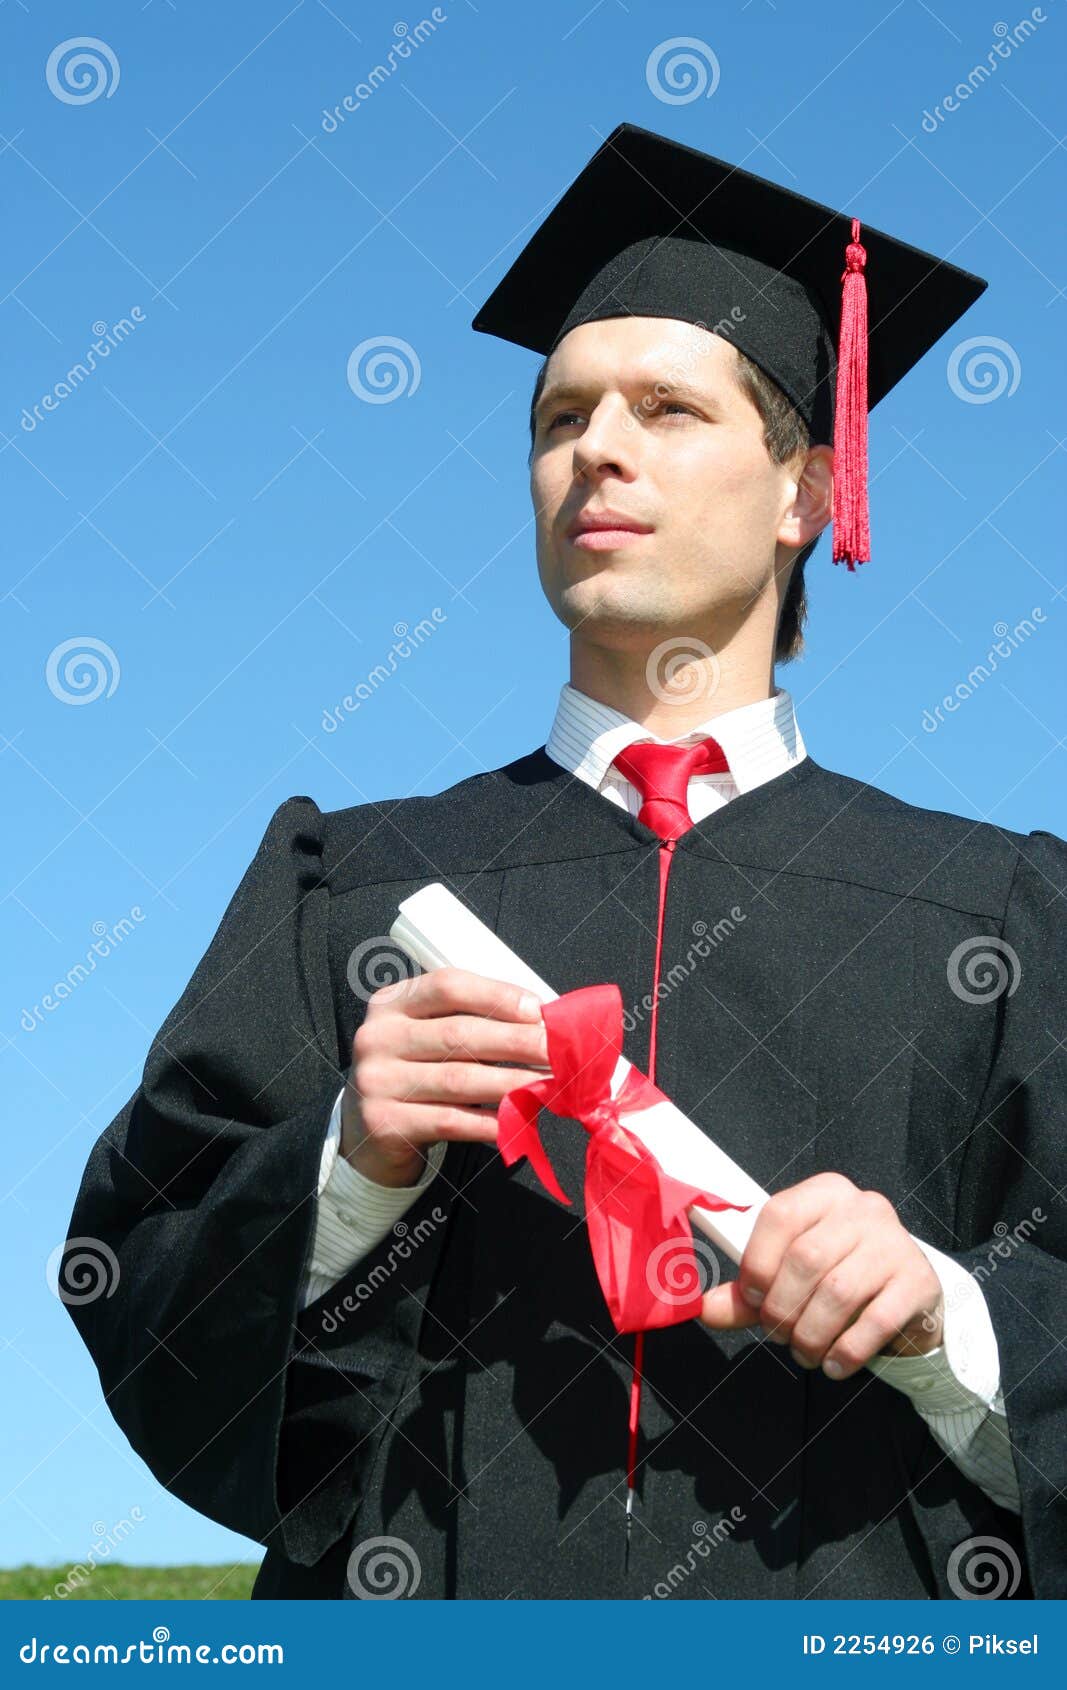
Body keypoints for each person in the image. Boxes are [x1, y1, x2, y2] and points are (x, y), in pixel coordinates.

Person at [62, 123, 1066, 1601]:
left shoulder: (998, 911)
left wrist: (950, 1321)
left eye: (668, 407)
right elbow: (135, 1295)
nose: (595, 447)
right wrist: (346, 1165)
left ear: (807, 490)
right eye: (559, 418)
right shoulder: (353, 886)